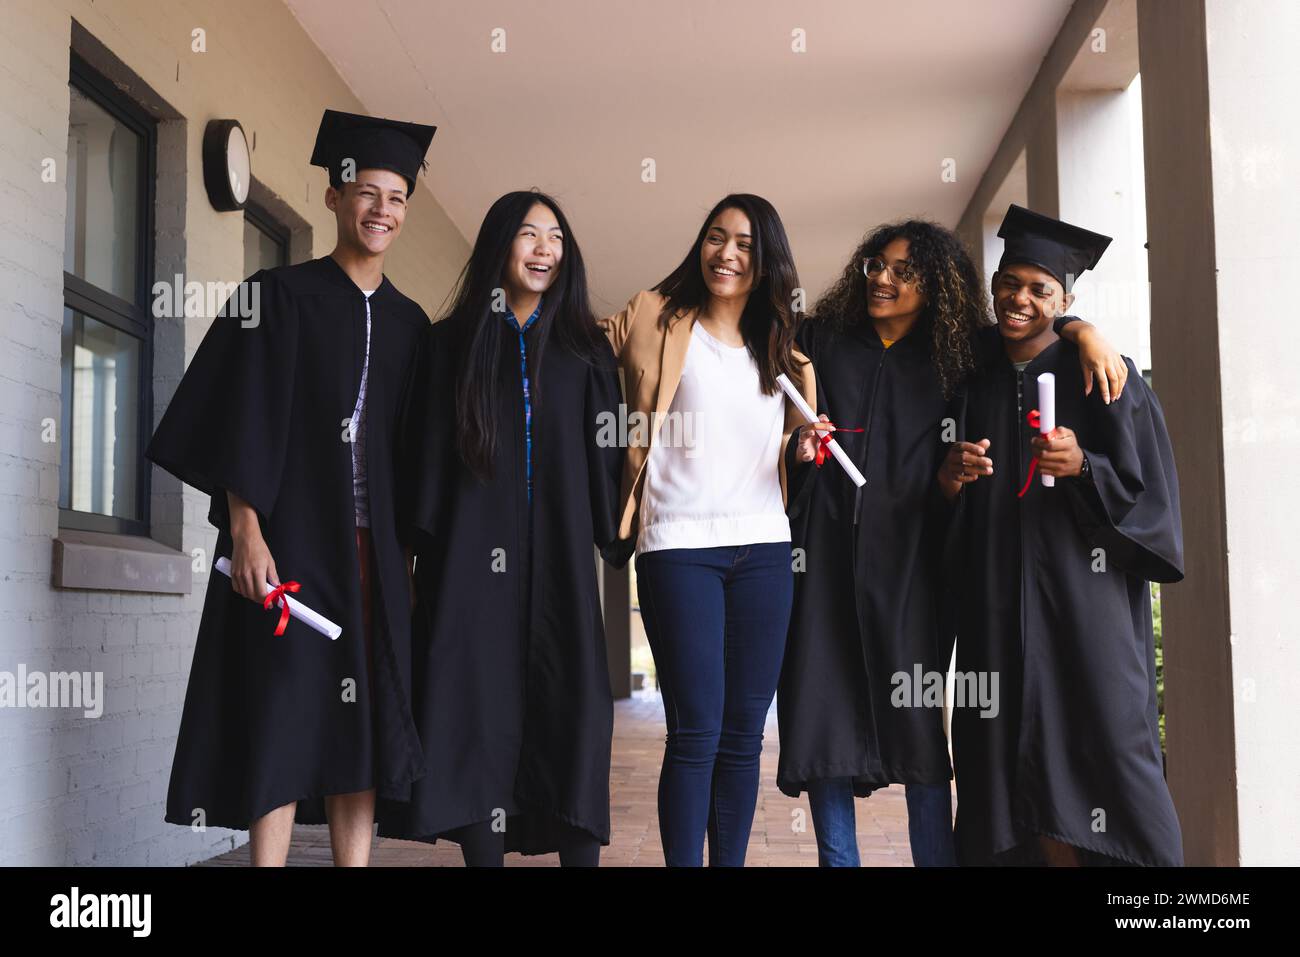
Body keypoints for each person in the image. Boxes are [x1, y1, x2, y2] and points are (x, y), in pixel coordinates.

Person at [778, 219, 1128, 867]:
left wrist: (1086, 330)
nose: (883, 278)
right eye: (876, 265)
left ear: (936, 284)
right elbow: (754, 368)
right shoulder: (821, 341)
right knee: (821, 718)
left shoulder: (960, 356)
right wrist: (796, 449)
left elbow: (1036, 327)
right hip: (822, 563)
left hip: (912, 568)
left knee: (918, 734)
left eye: (904, 271)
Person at [146, 109, 435, 866]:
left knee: (361, 722)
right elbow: (242, 419)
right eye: (366, 191)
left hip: (375, 554)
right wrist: (246, 530)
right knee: (282, 714)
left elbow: (420, 451)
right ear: (335, 198)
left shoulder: (411, 326)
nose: (382, 209)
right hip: (292, 545)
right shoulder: (277, 296)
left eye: (397, 197)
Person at [375, 191, 624, 867]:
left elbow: (609, 473)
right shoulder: (449, 343)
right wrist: (415, 559)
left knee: (574, 717)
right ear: (498, 246)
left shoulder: (586, 353)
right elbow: (422, 463)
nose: (544, 248)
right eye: (528, 234)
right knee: (469, 714)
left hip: (562, 575)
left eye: (556, 237)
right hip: (466, 571)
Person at [939, 204, 1184, 866]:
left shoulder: (1106, 377)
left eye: (1040, 289)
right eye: (1009, 282)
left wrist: (1084, 469)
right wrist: (951, 477)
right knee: (1008, 780)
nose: (1019, 298)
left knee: (1113, 758)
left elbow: (1151, 506)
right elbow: (933, 512)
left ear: (1067, 298)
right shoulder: (971, 379)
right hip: (995, 614)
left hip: (1085, 612)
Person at [600, 194, 816, 866]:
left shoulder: (787, 354)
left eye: (745, 243)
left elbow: (795, 454)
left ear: (767, 258)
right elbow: (574, 353)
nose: (727, 253)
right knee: (695, 730)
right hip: (677, 546)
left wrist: (805, 449)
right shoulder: (651, 317)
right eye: (716, 238)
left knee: (745, 736)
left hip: (765, 550)